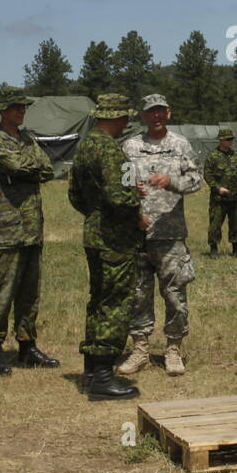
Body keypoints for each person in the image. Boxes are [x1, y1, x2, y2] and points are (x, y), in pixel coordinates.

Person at [67, 93, 150, 400]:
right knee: (116, 303)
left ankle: (91, 369)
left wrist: (95, 212)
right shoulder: (110, 150)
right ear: (116, 118)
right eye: (126, 117)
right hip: (115, 239)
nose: (128, 122)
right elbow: (119, 197)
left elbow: (75, 193)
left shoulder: (86, 145)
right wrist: (136, 213)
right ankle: (103, 376)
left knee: (99, 300)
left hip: (95, 233)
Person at [117, 93, 202, 377]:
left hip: (170, 234)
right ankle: (140, 349)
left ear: (169, 114)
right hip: (137, 233)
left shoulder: (180, 144)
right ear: (142, 116)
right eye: (150, 112)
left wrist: (171, 181)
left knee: (175, 293)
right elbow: (121, 181)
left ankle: (173, 350)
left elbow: (195, 180)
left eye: (160, 112)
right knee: (138, 294)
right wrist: (133, 191)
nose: (156, 116)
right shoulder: (131, 146)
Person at [0, 84, 59, 376]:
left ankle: (27, 346)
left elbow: (47, 169)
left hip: (31, 228)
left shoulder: (27, 137)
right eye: (16, 107)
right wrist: (30, 166)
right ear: (2, 110)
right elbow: (15, 166)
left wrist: (30, 167)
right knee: (1, 290)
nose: (21, 111)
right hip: (6, 227)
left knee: (29, 293)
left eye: (23, 107)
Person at [203, 127, 237, 258]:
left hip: (235, 197)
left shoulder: (235, 155)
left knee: (236, 223)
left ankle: (236, 247)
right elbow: (207, 175)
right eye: (227, 139)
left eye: (231, 139)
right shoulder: (212, 156)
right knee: (215, 224)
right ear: (221, 140)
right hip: (219, 198)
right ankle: (214, 248)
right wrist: (217, 188)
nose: (230, 141)